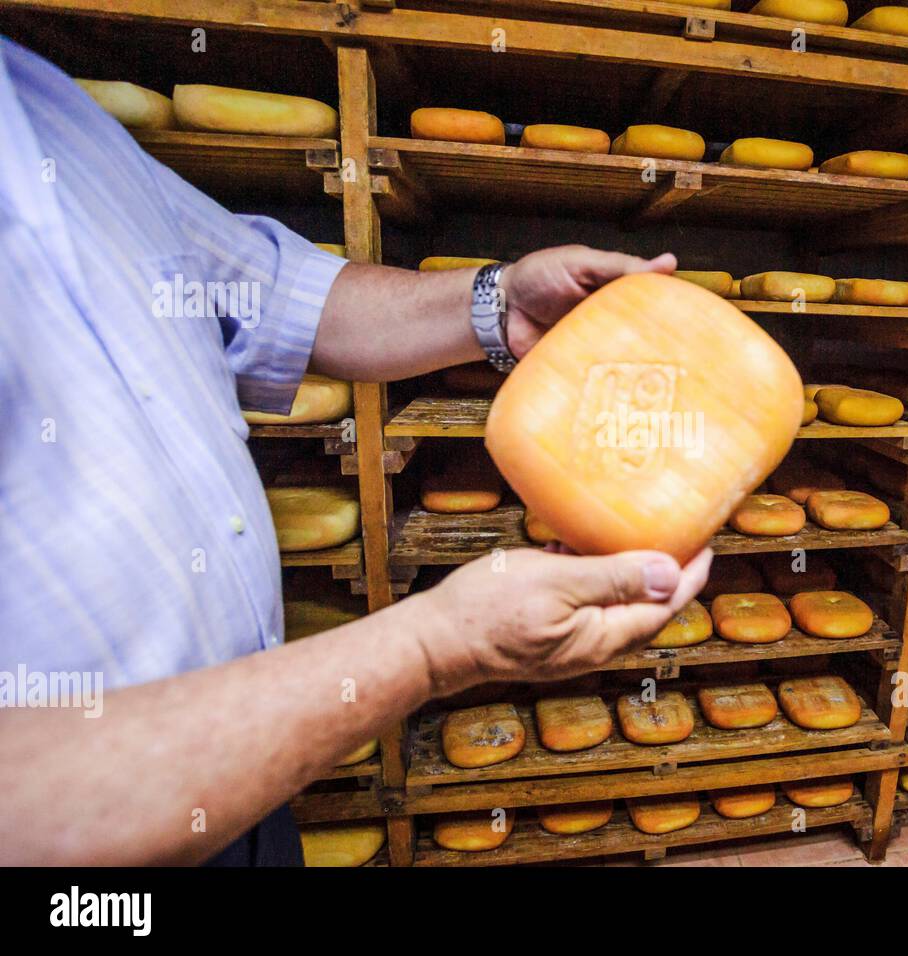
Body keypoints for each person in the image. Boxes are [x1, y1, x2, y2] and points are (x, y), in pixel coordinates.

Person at [0, 36, 712, 866]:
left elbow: (276, 295)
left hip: (253, 761)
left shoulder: (44, 105)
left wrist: (499, 299)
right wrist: (431, 646)